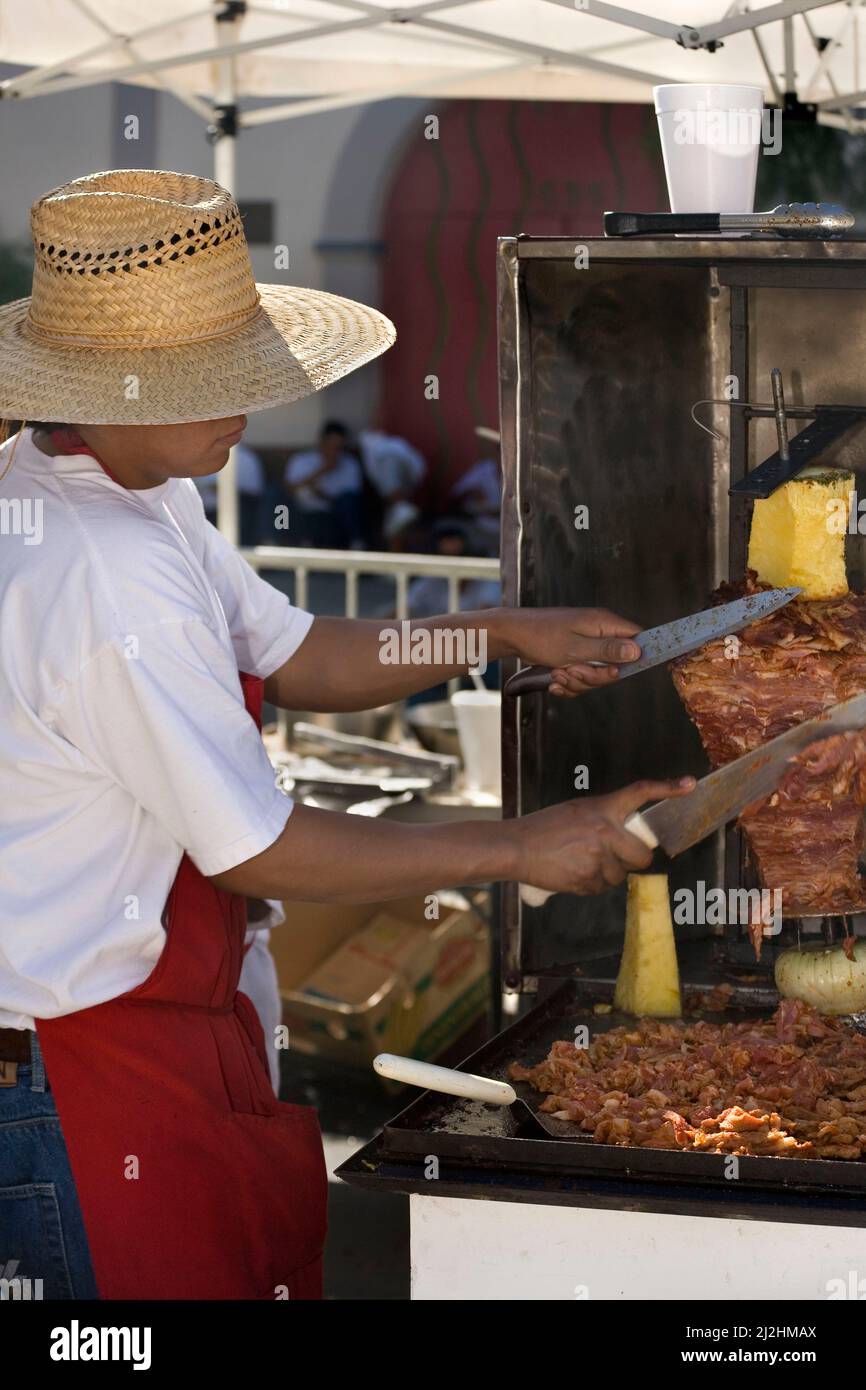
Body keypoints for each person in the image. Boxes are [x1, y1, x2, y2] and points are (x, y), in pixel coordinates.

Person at [0, 169, 693, 1302]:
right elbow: (259, 849)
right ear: (104, 383)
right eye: (215, 381)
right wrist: (518, 847)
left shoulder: (132, 491)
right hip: (80, 1077)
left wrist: (492, 629)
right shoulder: (99, 570)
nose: (251, 405)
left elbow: (304, 652)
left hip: (159, 1037)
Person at [284, 419, 364, 548]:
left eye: (338, 448)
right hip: (302, 512)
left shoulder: (350, 465)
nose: (334, 452)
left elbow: (352, 499)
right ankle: (273, 542)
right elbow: (289, 489)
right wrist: (322, 471)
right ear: (321, 443)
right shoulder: (301, 460)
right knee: (280, 505)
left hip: (333, 515)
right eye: (330, 447)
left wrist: (322, 495)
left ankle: (356, 543)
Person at [192, 440, 267, 544]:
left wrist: (222, 489)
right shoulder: (199, 455)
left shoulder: (246, 457)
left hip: (236, 509)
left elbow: (254, 491)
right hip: (202, 509)